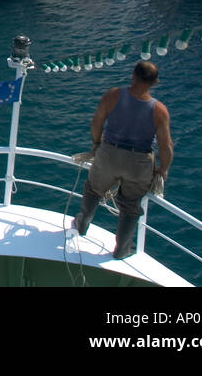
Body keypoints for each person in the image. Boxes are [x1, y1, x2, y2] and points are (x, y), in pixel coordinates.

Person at [73, 60, 174, 259]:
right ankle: (121, 249)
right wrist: (164, 169)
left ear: (133, 75)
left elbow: (97, 122)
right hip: (139, 162)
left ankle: (82, 224)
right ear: (155, 82)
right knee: (130, 205)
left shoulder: (114, 95)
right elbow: (166, 146)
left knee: (93, 189)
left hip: (109, 153)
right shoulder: (159, 110)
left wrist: (96, 145)